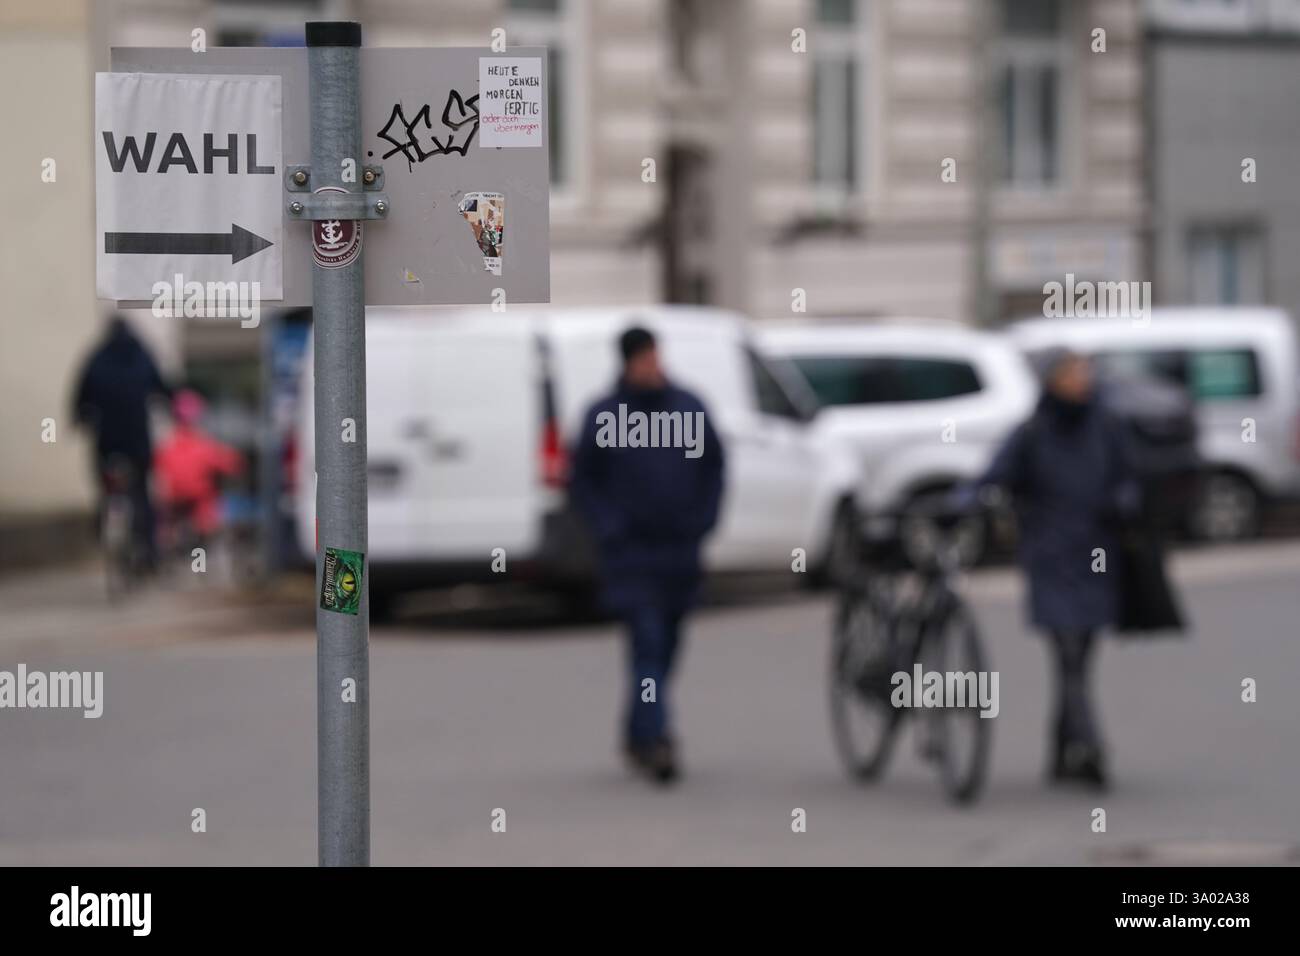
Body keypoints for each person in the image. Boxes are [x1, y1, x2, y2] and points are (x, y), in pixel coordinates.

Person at [960, 348, 1139, 789]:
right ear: (1052, 381)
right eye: (1072, 372)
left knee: (1080, 657)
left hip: (1096, 556)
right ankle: (1090, 744)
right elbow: (995, 476)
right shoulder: (1034, 431)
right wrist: (962, 501)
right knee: (1069, 652)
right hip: (1051, 558)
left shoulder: (1106, 426)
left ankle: (1060, 751)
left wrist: (1125, 502)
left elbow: (1129, 476)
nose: (1082, 379)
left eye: (1085, 371)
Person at [569, 326, 726, 784]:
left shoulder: (688, 407)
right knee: (648, 645)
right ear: (627, 363)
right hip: (632, 557)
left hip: (680, 552)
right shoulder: (604, 416)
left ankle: (638, 730)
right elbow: (583, 483)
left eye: (656, 356)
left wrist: (704, 520)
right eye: (644, 359)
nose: (653, 366)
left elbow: (714, 467)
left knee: (667, 651)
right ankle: (658, 739)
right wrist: (610, 529)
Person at [72, 316, 171, 570]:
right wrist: (166, 402)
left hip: (106, 439)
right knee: (141, 493)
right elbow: (161, 387)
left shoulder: (97, 357)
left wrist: (79, 418)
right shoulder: (142, 356)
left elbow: (80, 394)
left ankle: (102, 519)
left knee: (106, 486)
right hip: (137, 438)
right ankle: (149, 553)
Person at [153, 390, 245, 552]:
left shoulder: (167, 447)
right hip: (200, 504)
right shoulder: (203, 446)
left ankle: (180, 554)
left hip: (174, 503)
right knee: (210, 514)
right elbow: (233, 465)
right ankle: (200, 563)